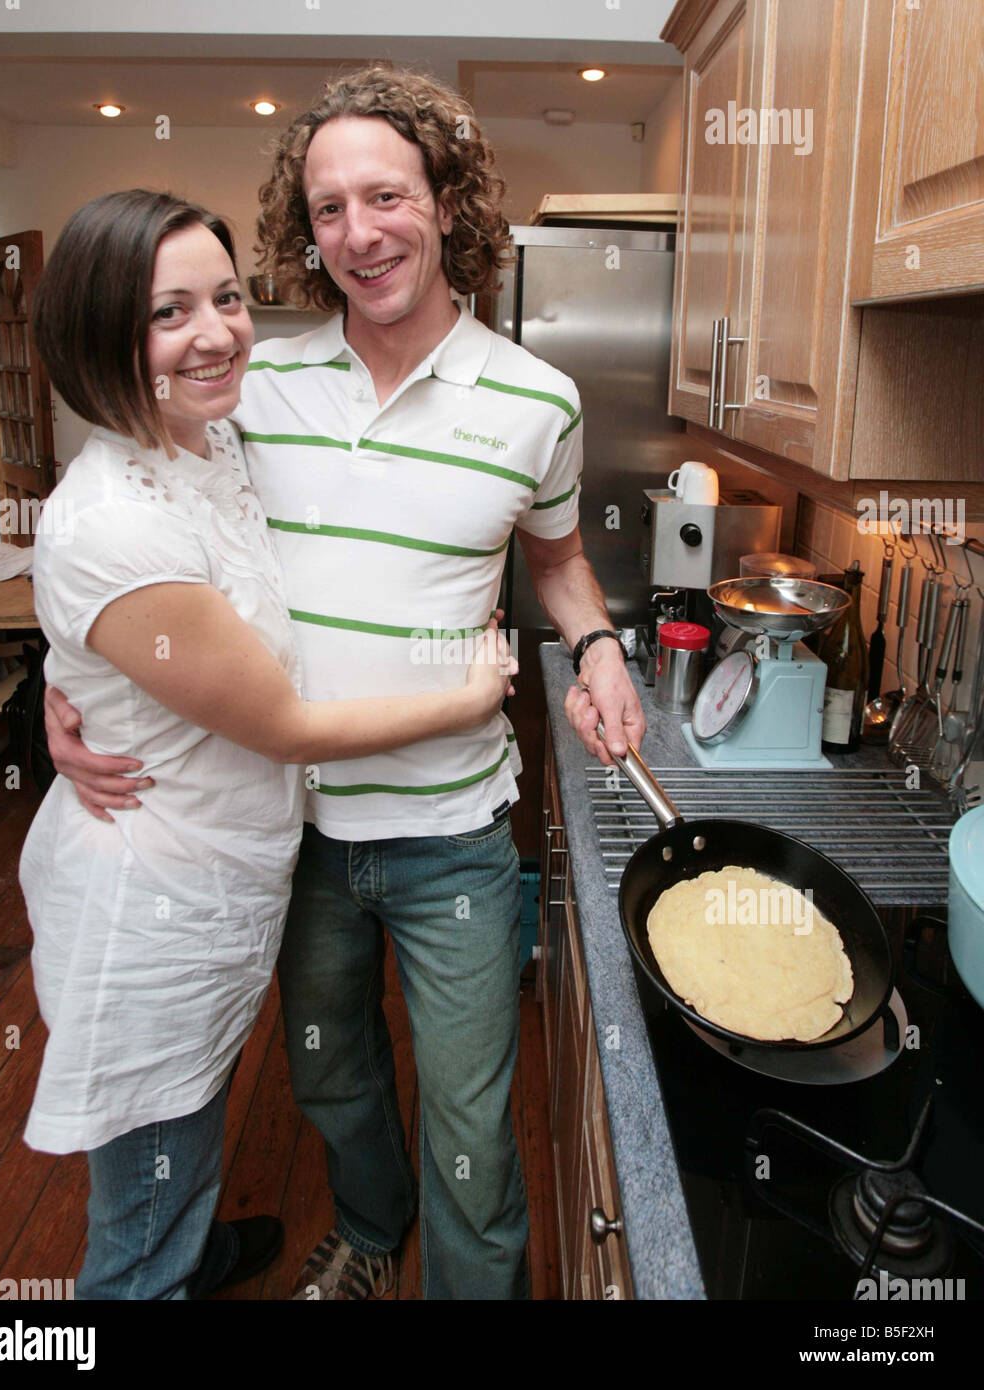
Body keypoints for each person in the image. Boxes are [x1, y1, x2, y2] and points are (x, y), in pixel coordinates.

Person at [45, 66, 645, 1300]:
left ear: (446, 200)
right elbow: (154, 552)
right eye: (327, 208)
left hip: (453, 831)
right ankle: (374, 1231)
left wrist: (593, 647)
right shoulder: (247, 389)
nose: (357, 233)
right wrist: (85, 690)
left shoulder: (540, 400)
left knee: (474, 1130)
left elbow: (561, 559)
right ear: (304, 231)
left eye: (384, 195)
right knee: (327, 1072)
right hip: (295, 829)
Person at [21, 187, 515, 1302]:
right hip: (147, 914)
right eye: (168, 313)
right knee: (141, 1213)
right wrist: (470, 686)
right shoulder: (116, 519)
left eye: (229, 299)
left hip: (225, 875)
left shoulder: (215, 438)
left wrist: (68, 685)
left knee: (180, 1150)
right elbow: (282, 722)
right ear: (102, 333)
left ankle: (187, 1252)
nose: (217, 332)